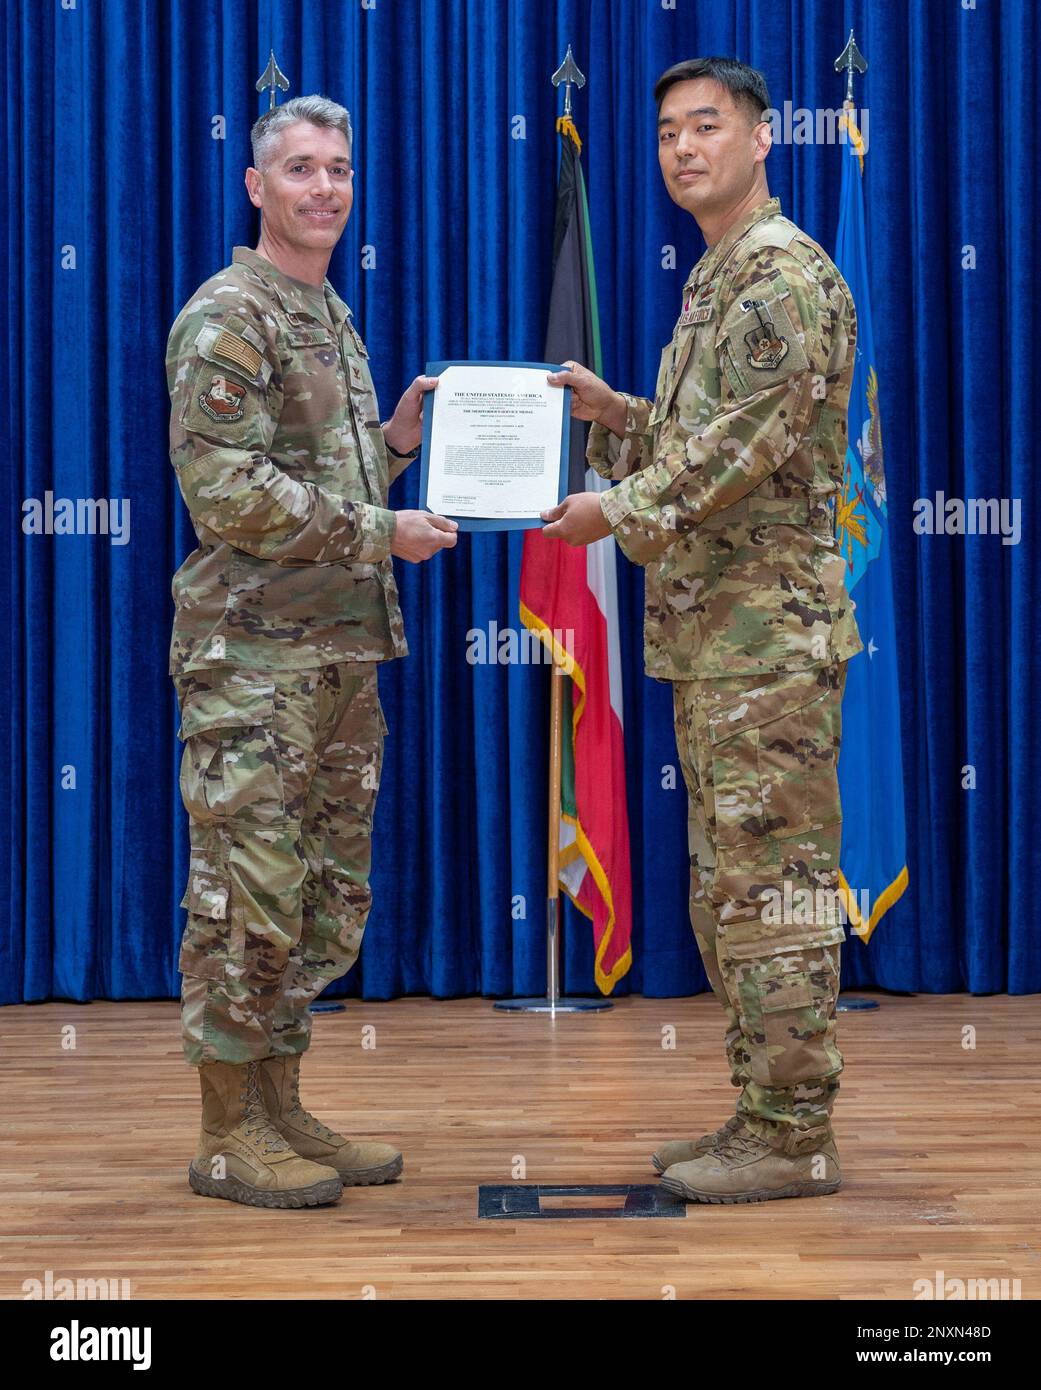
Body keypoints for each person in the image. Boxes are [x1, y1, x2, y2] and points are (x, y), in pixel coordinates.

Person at [543, 57, 862, 1203]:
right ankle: (763, 1115)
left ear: (765, 137)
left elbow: (737, 453)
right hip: (721, 643)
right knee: (731, 891)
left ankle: (792, 1133)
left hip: (765, 649)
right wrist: (617, 414)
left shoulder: (778, 278)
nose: (684, 149)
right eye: (670, 130)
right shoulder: (719, 278)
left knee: (772, 892)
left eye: (708, 126)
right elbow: (702, 436)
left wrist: (611, 508)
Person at [166, 94, 457, 1208]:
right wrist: (385, 526)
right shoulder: (230, 316)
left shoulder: (326, 310)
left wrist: (392, 449)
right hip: (253, 664)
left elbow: (318, 489)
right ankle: (227, 1132)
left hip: (337, 659)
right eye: (300, 168)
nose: (325, 187)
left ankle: (282, 1104)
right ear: (256, 186)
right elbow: (228, 493)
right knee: (249, 894)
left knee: (324, 896)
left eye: (339, 168)